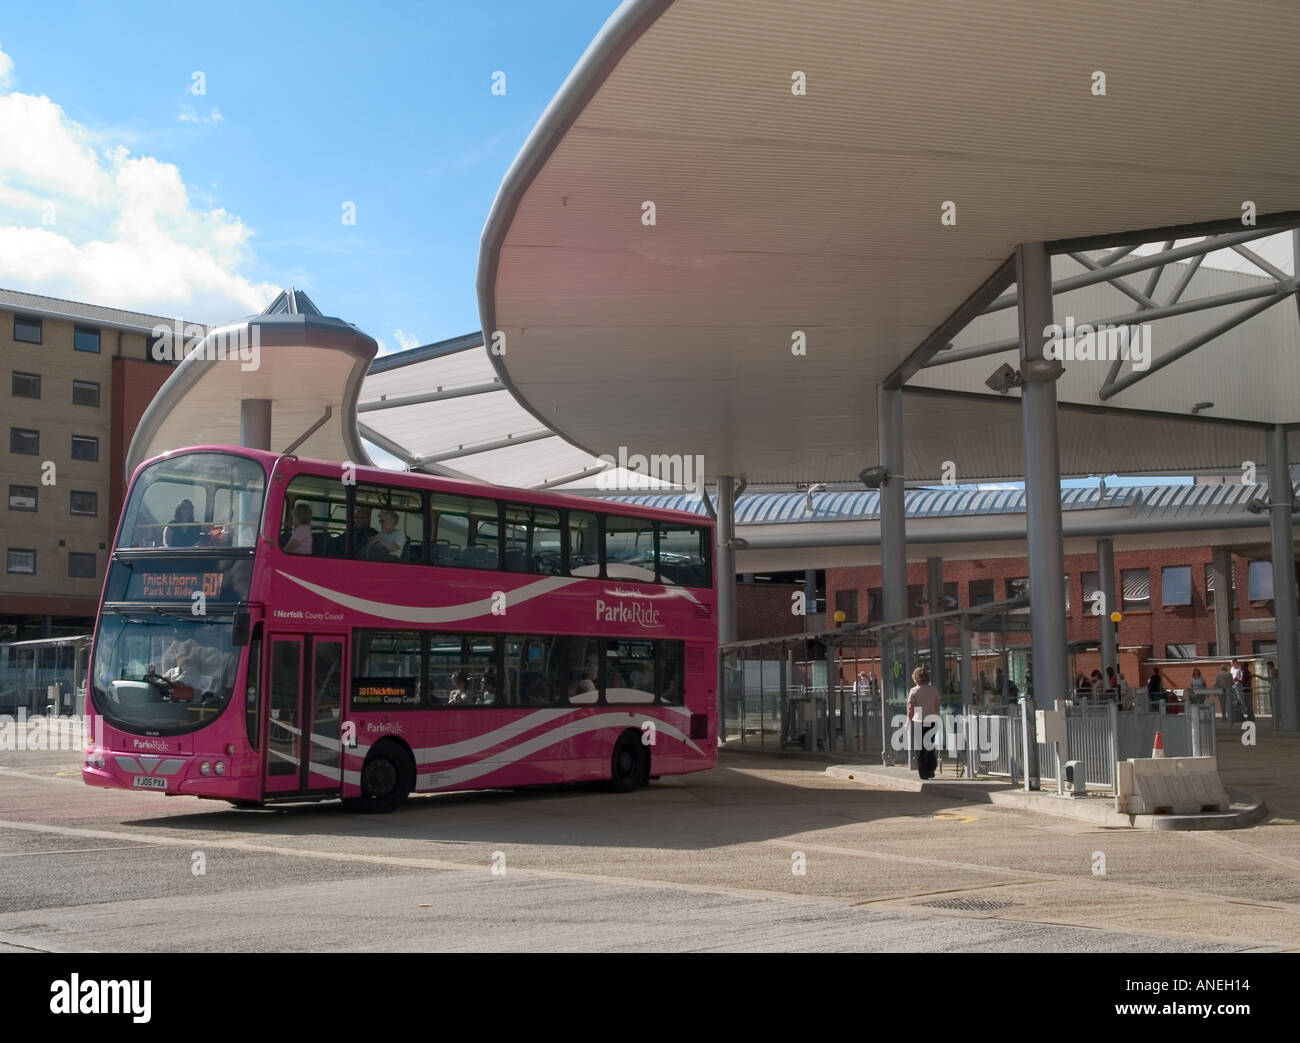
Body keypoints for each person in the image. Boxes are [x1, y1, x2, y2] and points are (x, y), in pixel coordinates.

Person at [906, 666, 941, 781]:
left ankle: (923, 771)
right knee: (930, 745)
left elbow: (911, 709)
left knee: (920, 747)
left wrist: (908, 721)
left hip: (918, 721)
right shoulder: (934, 690)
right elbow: (937, 706)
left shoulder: (914, 691)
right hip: (932, 720)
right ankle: (931, 769)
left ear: (915, 678)